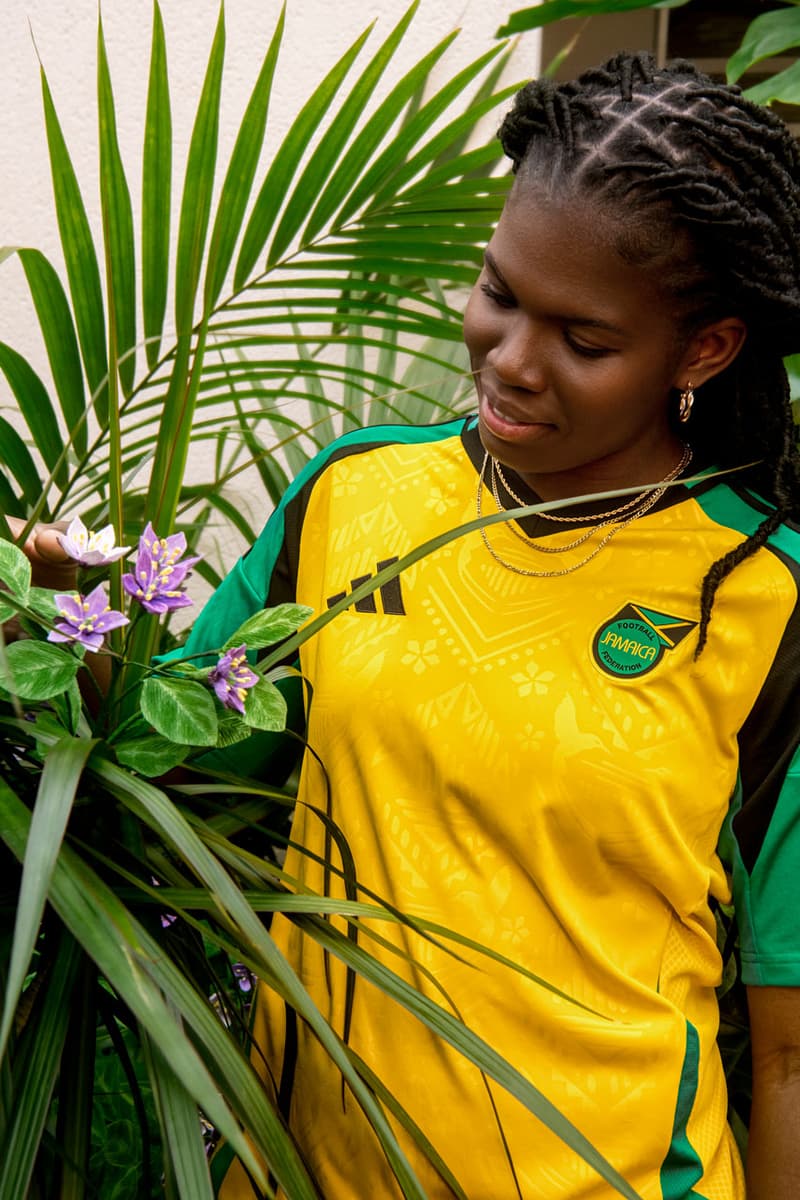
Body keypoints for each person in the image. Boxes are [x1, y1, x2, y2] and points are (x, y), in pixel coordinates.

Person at [14, 50, 800, 1199]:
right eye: (498, 295)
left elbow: (783, 1054)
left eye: (582, 342)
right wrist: (54, 636)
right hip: (301, 1178)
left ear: (704, 349)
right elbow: (166, 761)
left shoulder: (763, 604)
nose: (512, 362)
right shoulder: (352, 498)